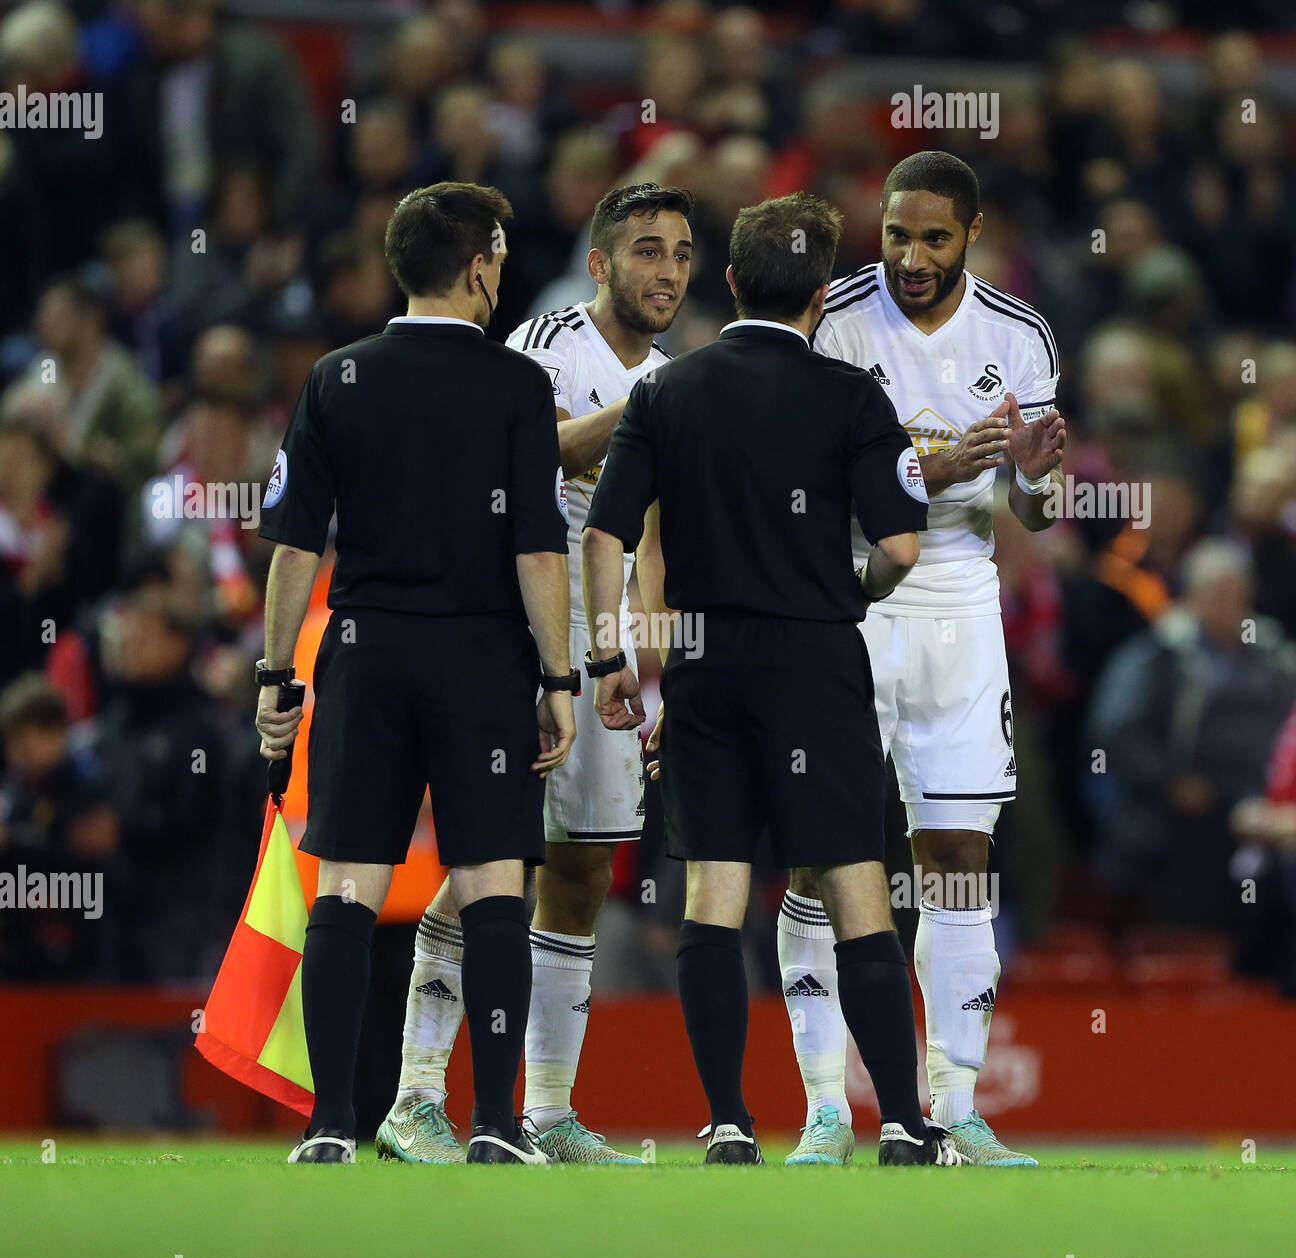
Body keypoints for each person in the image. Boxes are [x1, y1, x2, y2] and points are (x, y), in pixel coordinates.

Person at [584, 191, 961, 1166]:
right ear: (824, 295)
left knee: (712, 888)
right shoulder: (851, 398)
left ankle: (725, 1122)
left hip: (707, 664)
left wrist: (612, 656)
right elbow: (902, 548)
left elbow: (606, 532)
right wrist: (848, 583)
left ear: (734, 280)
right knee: (852, 887)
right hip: (814, 657)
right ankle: (908, 1127)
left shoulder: (669, 393)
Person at [255, 182, 576, 1165]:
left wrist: (277, 678)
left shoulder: (336, 377)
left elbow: (294, 551)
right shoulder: (516, 385)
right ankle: (490, 1125)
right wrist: (559, 676)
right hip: (480, 655)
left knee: (346, 888)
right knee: (490, 888)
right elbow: (537, 553)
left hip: (365, 652)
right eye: (499, 257)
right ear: (479, 266)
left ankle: (328, 1128)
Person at [378, 183, 693, 1165]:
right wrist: (642, 413)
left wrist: (654, 652)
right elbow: (531, 455)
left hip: (606, 637)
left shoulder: (671, 373)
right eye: (645, 251)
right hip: (521, 621)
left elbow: (649, 531)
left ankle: (549, 1114)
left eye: (681, 254)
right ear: (599, 264)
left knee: (585, 867)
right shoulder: (547, 342)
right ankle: (415, 1096)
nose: (667, 273)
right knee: (494, 857)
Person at [770, 152, 1067, 1166]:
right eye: (896, 235)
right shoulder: (835, 318)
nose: (909, 257)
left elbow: (1039, 504)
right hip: (846, 598)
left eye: (933, 238)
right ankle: (820, 1109)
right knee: (825, 860)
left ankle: (953, 1109)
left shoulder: (1020, 337)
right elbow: (796, 483)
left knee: (957, 856)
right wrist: (923, 468)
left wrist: (1034, 481)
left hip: (959, 604)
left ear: (971, 234)